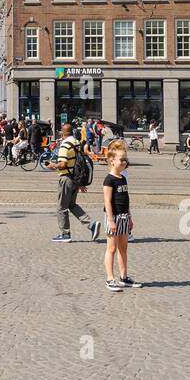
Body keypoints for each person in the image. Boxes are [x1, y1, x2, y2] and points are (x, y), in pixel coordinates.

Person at [49, 122, 99, 243]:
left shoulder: (65, 144)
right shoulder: (77, 142)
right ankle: (91, 224)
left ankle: (65, 234)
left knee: (61, 208)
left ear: (63, 132)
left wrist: (53, 165)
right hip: (75, 179)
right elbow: (80, 162)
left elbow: (63, 164)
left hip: (66, 178)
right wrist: (80, 183)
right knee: (72, 205)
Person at [102, 141, 141, 291]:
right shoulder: (109, 179)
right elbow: (107, 201)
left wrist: (130, 217)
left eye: (126, 160)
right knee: (111, 248)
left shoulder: (123, 178)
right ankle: (109, 278)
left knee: (123, 248)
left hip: (124, 216)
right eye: (121, 160)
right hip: (113, 217)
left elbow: (126, 198)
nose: (124, 162)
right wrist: (111, 220)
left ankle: (124, 277)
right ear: (112, 161)